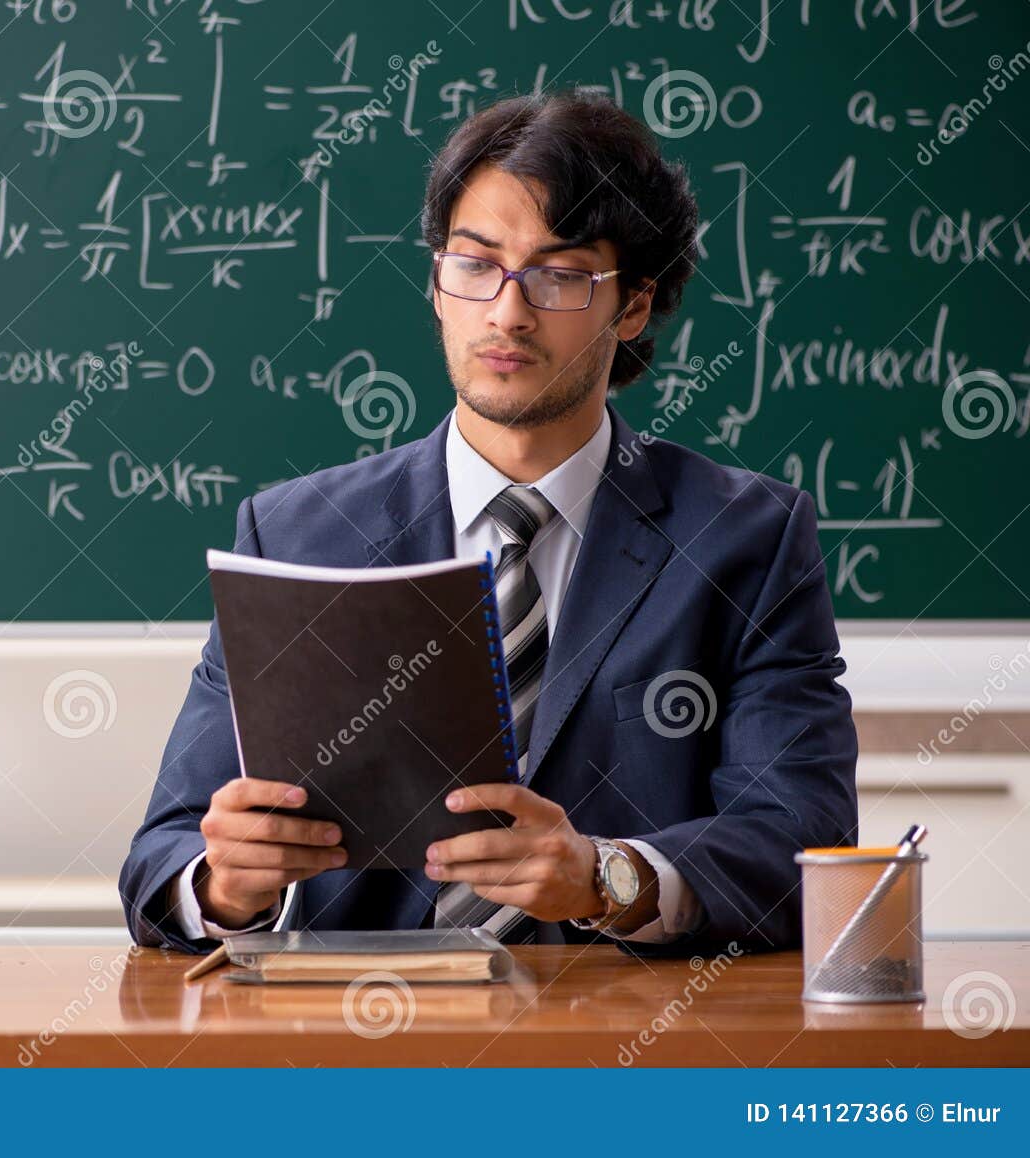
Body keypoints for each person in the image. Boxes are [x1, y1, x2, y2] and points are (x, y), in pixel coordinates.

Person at [120, 92, 858, 957]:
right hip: (351, 1047)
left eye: (558, 274)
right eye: (475, 265)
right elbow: (160, 859)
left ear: (631, 306)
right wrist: (224, 886)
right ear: (438, 283)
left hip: (624, 1046)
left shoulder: (747, 538)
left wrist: (608, 877)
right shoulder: (295, 534)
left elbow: (805, 844)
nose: (507, 313)